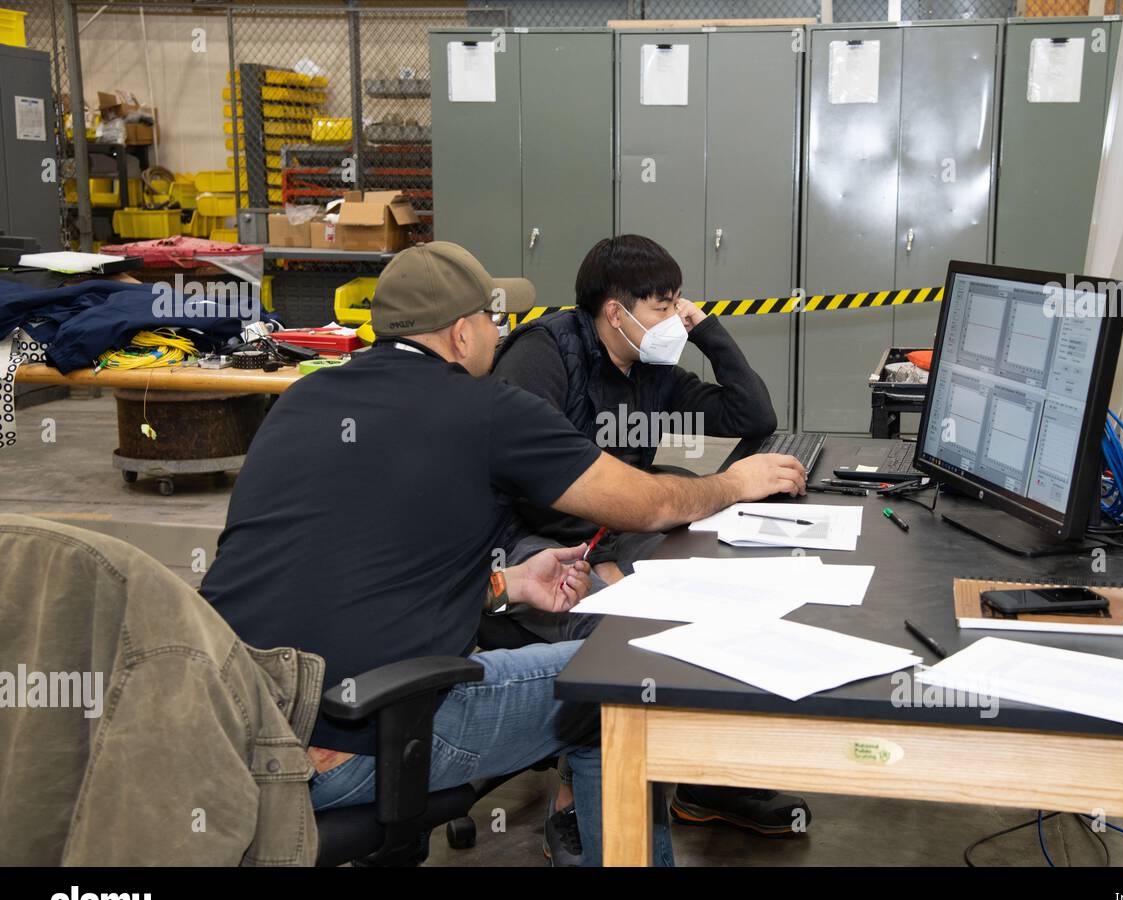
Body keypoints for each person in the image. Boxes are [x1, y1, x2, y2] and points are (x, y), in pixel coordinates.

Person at [199, 241, 807, 867]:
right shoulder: (487, 408)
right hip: (346, 746)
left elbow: (354, 565)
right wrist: (737, 483)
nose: (504, 331)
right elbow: (648, 506)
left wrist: (504, 585)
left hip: (220, 728)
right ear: (462, 334)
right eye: (495, 319)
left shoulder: (302, 399)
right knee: (623, 684)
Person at [489, 235, 812, 861]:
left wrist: (707, 330)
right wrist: (602, 557)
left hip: (609, 535)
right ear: (616, 310)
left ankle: (701, 779)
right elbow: (525, 480)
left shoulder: (650, 371)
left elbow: (753, 416)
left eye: (678, 305)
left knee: (721, 583)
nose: (674, 317)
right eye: (663, 306)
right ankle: (576, 798)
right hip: (523, 549)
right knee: (630, 629)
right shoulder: (544, 356)